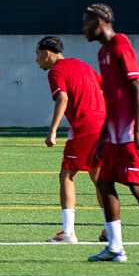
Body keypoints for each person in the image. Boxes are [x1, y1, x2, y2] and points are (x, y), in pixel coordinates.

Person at [82, 4, 139, 266]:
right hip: (115, 132)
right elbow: (112, 99)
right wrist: (102, 138)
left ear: (99, 22)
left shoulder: (120, 43)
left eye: (86, 23)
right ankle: (116, 247)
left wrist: (138, 130)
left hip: (133, 130)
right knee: (105, 181)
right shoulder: (102, 52)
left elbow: (138, 86)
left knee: (137, 185)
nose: (83, 27)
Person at [36, 36, 106, 244]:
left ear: (47, 53)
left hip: (85, 127)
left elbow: (63, 98)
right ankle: (111, 228)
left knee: (67, 175)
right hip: (103, 126)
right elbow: (105, 85)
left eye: (37, 55)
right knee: (98, 177)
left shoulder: (56, 71)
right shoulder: (82, 65)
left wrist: (53, 131)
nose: (37, 60)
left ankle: (68, 232)